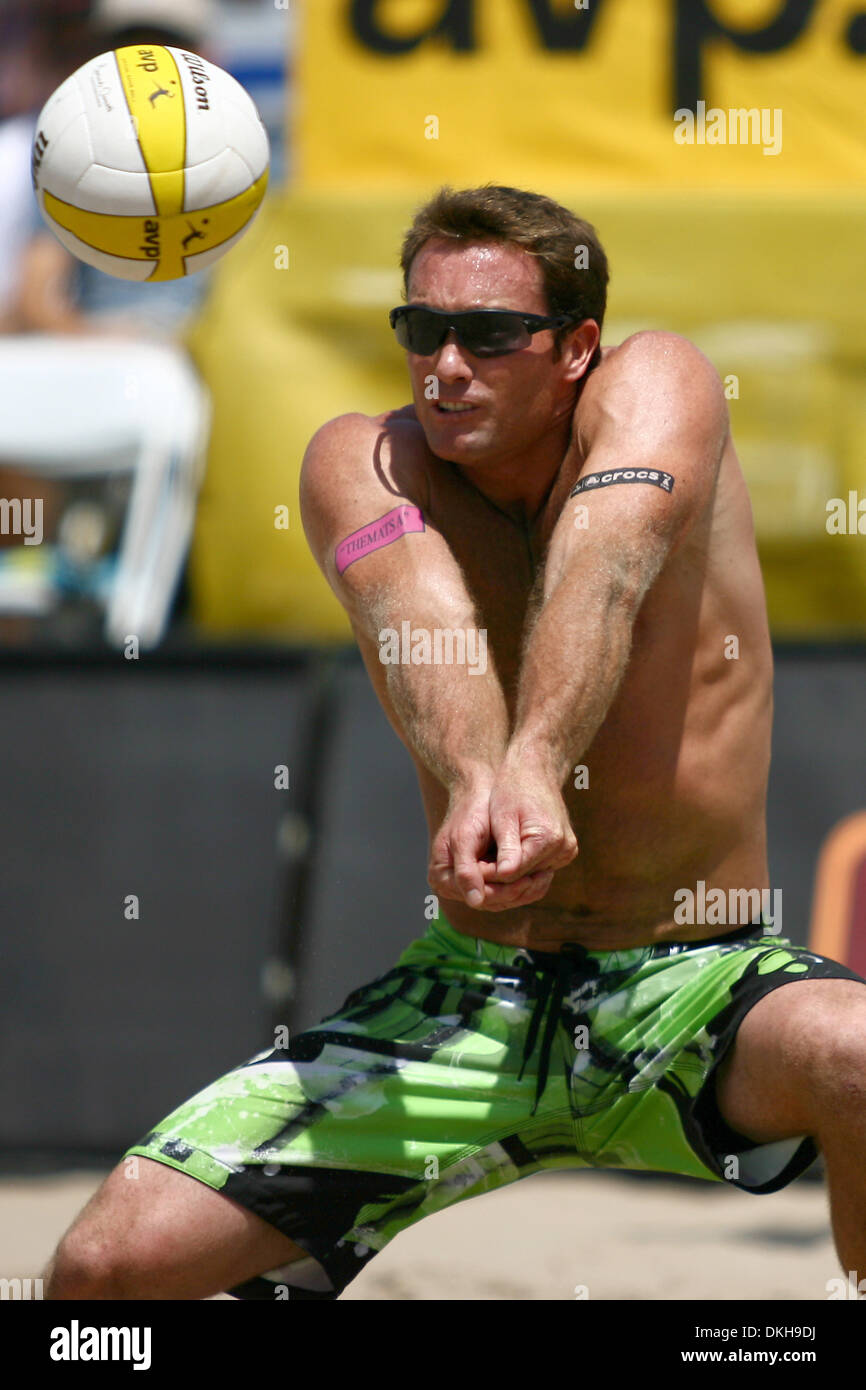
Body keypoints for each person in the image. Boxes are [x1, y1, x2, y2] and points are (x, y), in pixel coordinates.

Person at [44, 184, 866, 1301]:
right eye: (418, 329)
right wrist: (487, 776)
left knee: (855, 1048)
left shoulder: (657, 385)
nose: (443, 365)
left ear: (574, 347)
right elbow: (417, 620)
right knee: (100, 1278)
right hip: (476, 992)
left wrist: (534, 765)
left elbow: (606, 559)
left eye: (487, 335)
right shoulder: (362, 463)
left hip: (693, 977)